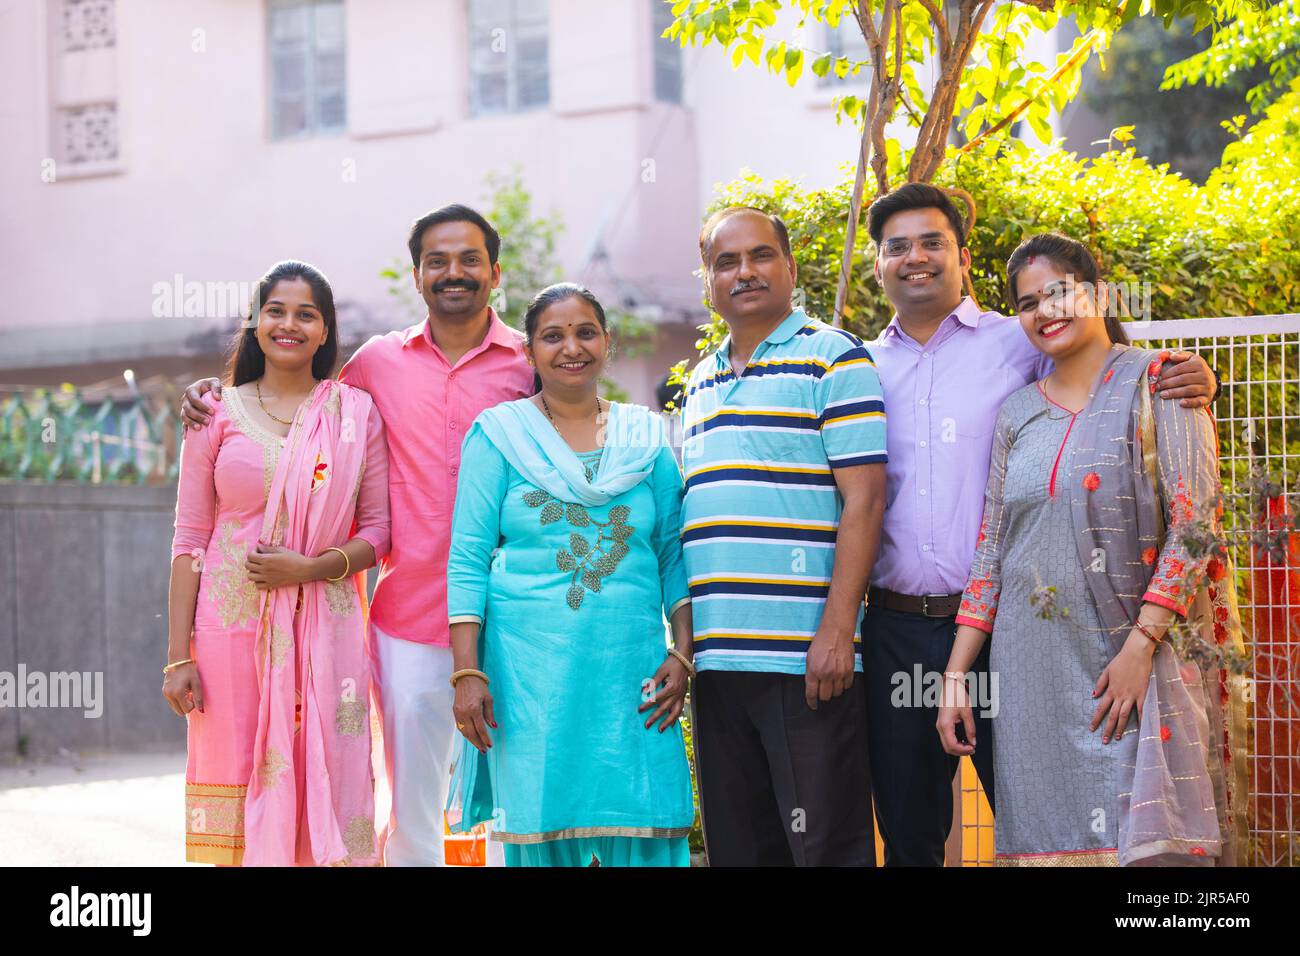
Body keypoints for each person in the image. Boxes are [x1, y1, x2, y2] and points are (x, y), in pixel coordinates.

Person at [860, 183, 1218, 865]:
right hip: (899, 629)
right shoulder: (859, 366)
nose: (915, 258)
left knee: (1052, 812)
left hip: (1019, 637)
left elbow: (1104, 370)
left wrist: (1197, 380)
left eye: (932, 242)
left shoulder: (1015, 340)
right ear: (877, 264)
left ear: (961, 255)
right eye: (897, 246)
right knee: (909, 833)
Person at [180, 205, 533, 866]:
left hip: (522, 612)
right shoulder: (376, 366)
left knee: (524, 798)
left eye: (468, 259)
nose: (453, 273)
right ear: (417, 274)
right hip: (410, 619)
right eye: (437, 260)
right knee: (414, 810)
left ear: (495, 270)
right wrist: (210, 397)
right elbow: (298, 413)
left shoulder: (531, 359)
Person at [936, 233, 1247, 866]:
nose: (1045, 312)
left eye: (1059, 292)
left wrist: (1139, 649)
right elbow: (992, 551)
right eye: (1027, 304)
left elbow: (1195, 525)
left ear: (1100, 294)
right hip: (1030, 678)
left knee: (1151, 854)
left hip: (1132, 666)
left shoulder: (1162, 386)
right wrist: (954, 674)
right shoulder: (1015, 414)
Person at [444, 283, 695, 866]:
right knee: (543, 826)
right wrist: (466, 672)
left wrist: (682, 655)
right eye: (552, 336)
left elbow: (672, 553)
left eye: (585, 332)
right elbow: (467, 556)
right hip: (530, 674)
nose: (571, 347)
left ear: (606, 343)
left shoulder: (644, 437)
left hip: (631, 669)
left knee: (646, 819)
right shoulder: (500, 434)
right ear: (529, 353)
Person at [164, 260, 391, 866]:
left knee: (327, 772)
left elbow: (378, 532)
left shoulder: (353, 414)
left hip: (326, 627)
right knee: (236, 776)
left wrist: (310, 569)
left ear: (324, 332)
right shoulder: (213, 412)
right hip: (229, 631)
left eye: (305, 314)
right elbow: (190, 538)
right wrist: (178, 655)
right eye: (275, 310)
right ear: (255, 322)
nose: (288, 324)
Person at [681, 207, 887, 866]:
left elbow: (866, 500)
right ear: (709, 280)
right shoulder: (699, 381)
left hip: (805, 662)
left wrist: (836, 629)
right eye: (726, 261)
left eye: (760, 256)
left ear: (790, 268)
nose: (744, 272)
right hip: (719, 667)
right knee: (741, 849)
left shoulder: (835, 357)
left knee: (825, 848)